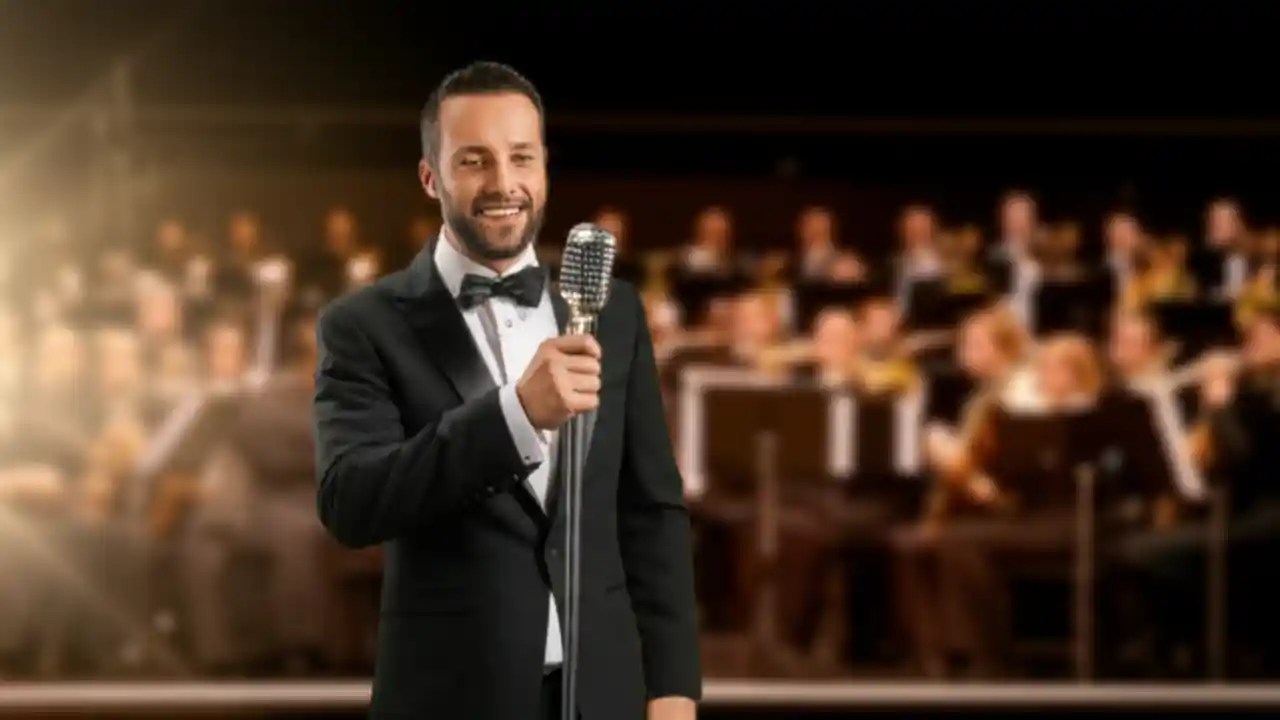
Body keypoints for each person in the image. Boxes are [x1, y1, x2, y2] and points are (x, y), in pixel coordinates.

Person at [311, 61, 701, 720]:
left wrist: (674, 690)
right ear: (430, 176)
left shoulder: (616, 312)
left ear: (544, 167)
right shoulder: (363, 325)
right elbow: (351, 502)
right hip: (450, 697)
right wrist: (515, 418)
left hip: (605, 694)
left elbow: (651, 511)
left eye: (521, 157)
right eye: (474, 161)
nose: (504, 183)